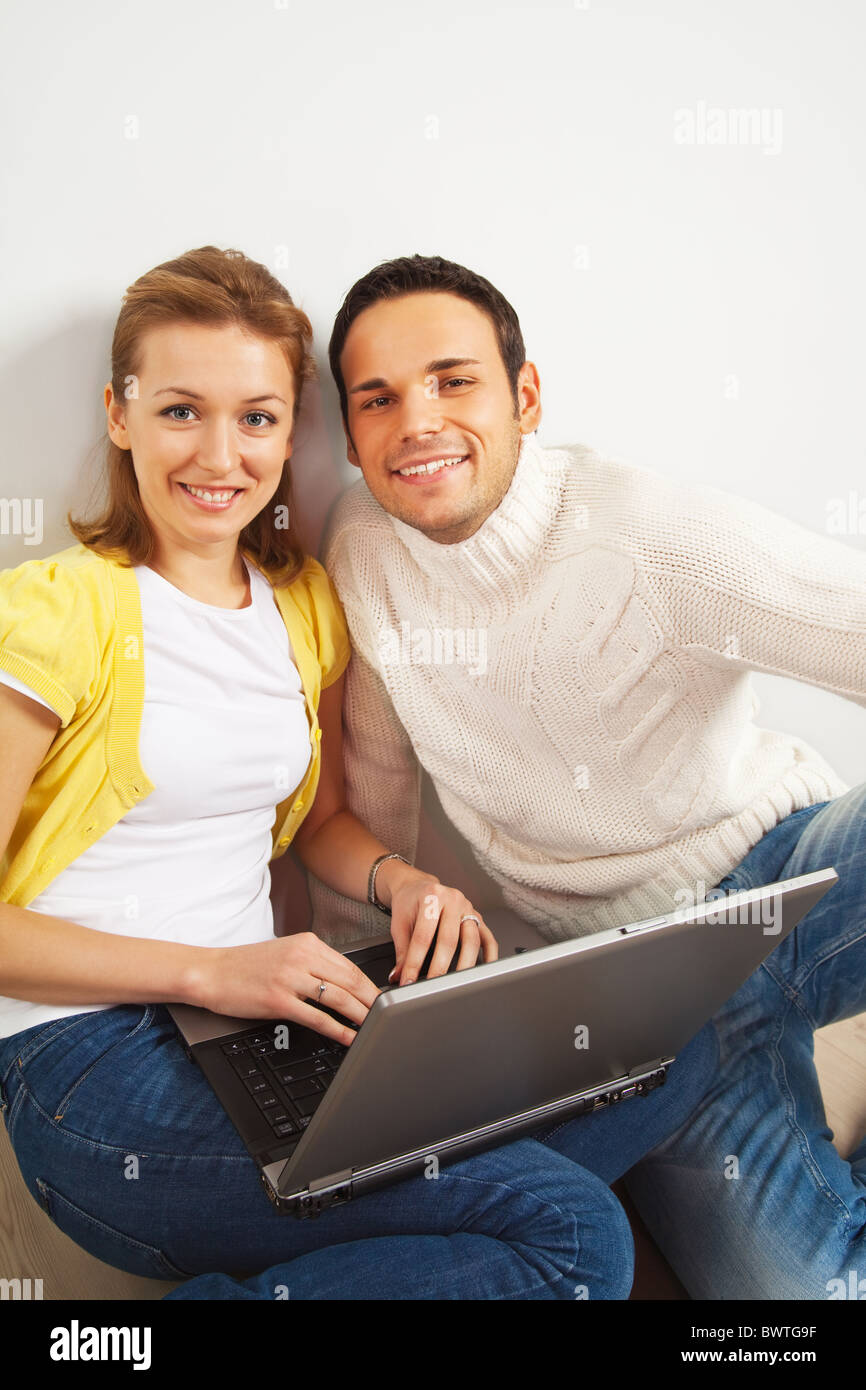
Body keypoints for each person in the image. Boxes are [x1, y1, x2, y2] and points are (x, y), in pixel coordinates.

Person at [0, 244, 651, 1300]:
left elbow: (322, 821)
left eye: (257, 417)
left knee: (647, 1061)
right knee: (575, 1234)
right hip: (90, 1067)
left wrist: (405, 882)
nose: (220, 455)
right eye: (180, 410)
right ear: (119, 414)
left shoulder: (302, 604)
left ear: (290, 430)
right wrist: (206, 972)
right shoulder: (52, 612)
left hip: (259, 1032)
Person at [308, 252, 866, 1300]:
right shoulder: (360, 550)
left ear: (525, 396)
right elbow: (374, 792)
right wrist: (366, 1013)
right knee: (798, 1308)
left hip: (792, 883)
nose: (416, 422)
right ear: (348, 432)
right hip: (630, 996)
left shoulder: (653, 537)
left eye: (452, 380)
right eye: (377, 398)